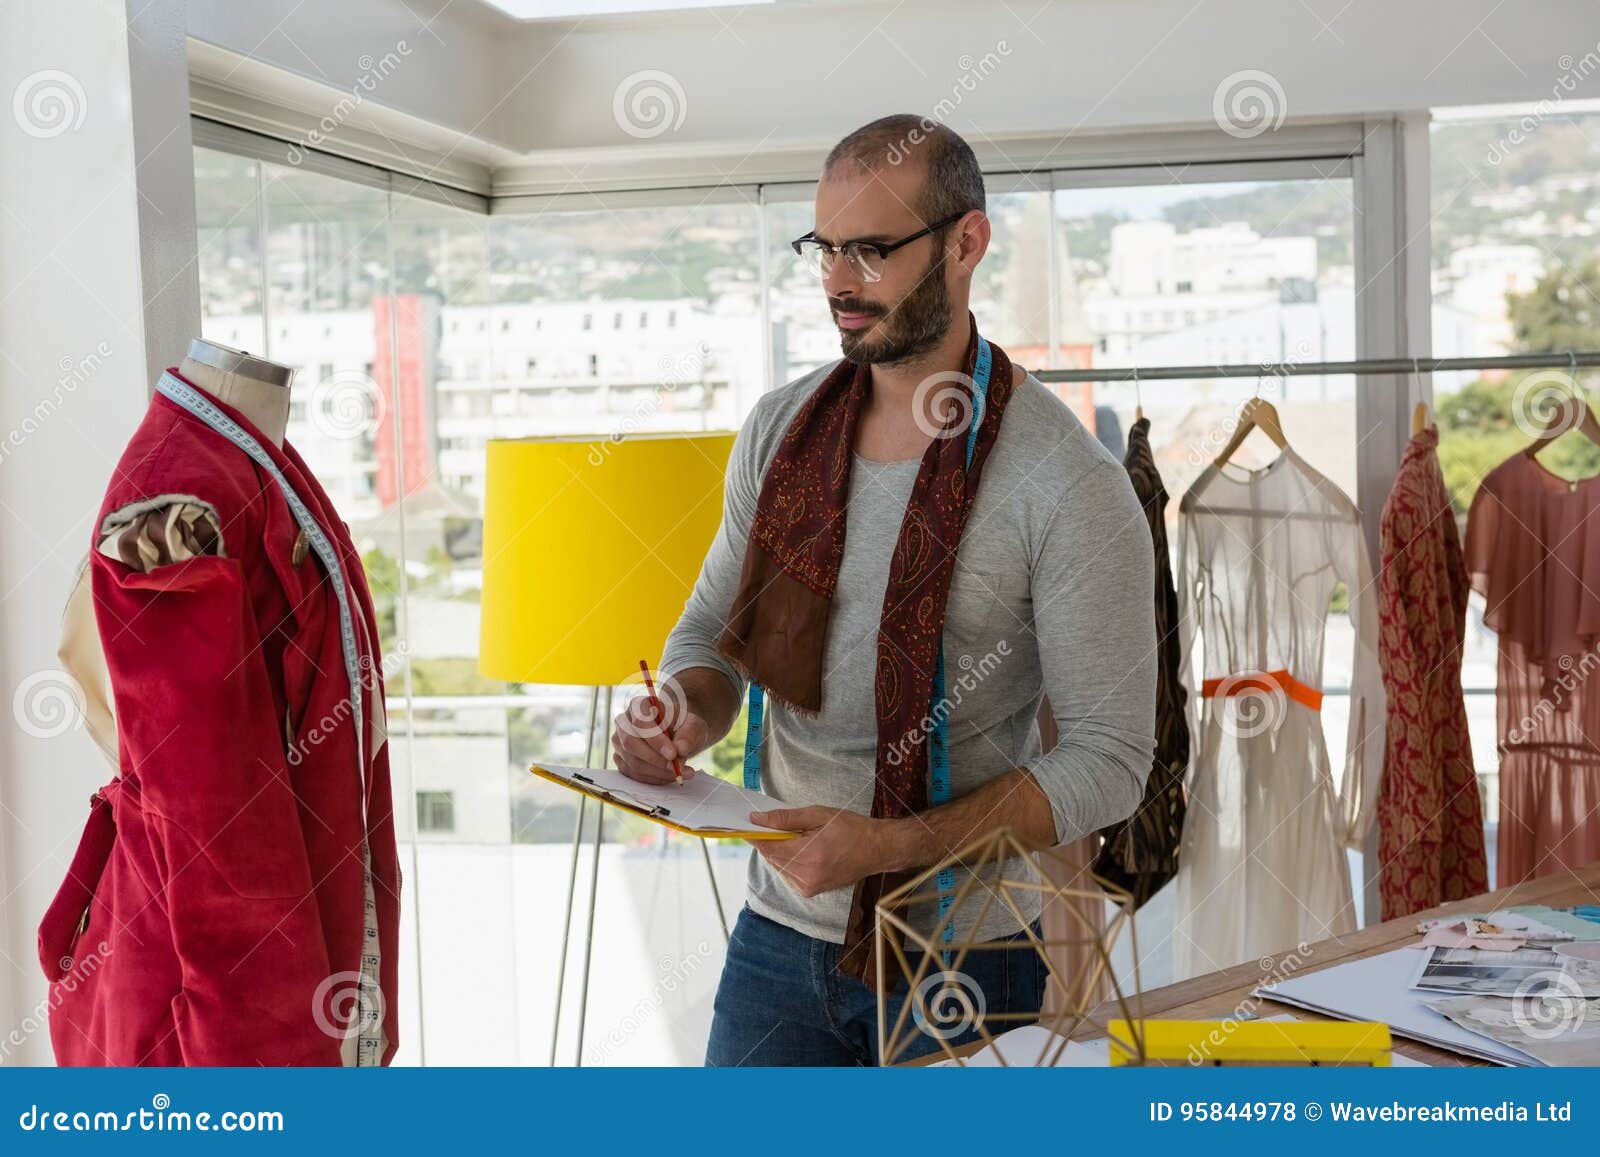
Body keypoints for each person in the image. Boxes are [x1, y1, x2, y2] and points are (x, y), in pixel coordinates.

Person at [610, 114, 1157, 1066]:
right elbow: (709, 634)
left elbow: (1112, 761)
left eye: (869, 249)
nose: (837, 280)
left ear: (966, 242)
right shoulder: (778, 432)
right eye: (823, 247)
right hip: (777, 942)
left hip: (967, 960)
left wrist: (888, 845)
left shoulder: (1067, 481)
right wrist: (681, 716)